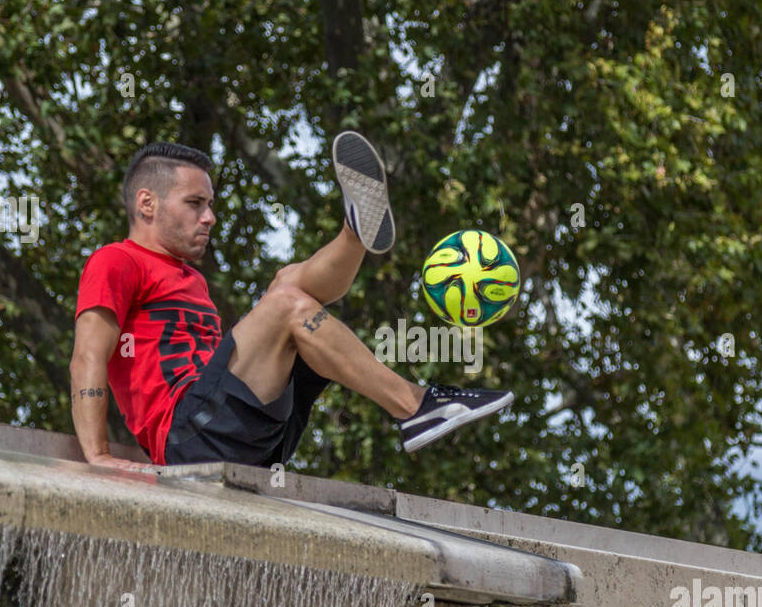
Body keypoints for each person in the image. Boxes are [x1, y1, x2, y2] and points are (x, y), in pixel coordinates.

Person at [70, 133, 513, 471]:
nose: (210, 217)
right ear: (146, 203)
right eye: (195, 203)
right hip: (187, 438)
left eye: (210, 204)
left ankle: (354, 233)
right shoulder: (116, 261)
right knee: (285, 304)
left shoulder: (192, 281)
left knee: (288, 287)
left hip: (245, 437)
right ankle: (415, 407)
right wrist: (97, 454)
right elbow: (88, 356)